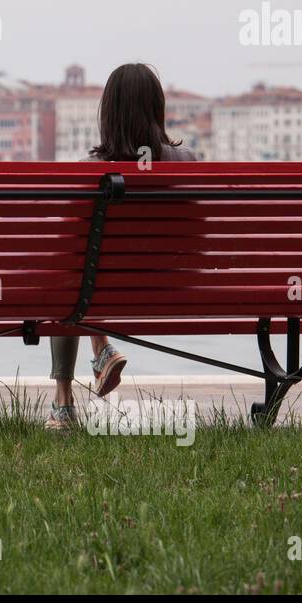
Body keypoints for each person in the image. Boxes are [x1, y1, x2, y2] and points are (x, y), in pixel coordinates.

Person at [46, 62, 196, 430]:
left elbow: (69, 247)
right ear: (157, 108)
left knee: (67, 278)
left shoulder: (90, 168)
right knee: (82, 273)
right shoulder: (186, 162)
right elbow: (196, 236)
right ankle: (101, 353)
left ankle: (65, 401)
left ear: (108, 112)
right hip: (174, 289)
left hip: (100, 292)